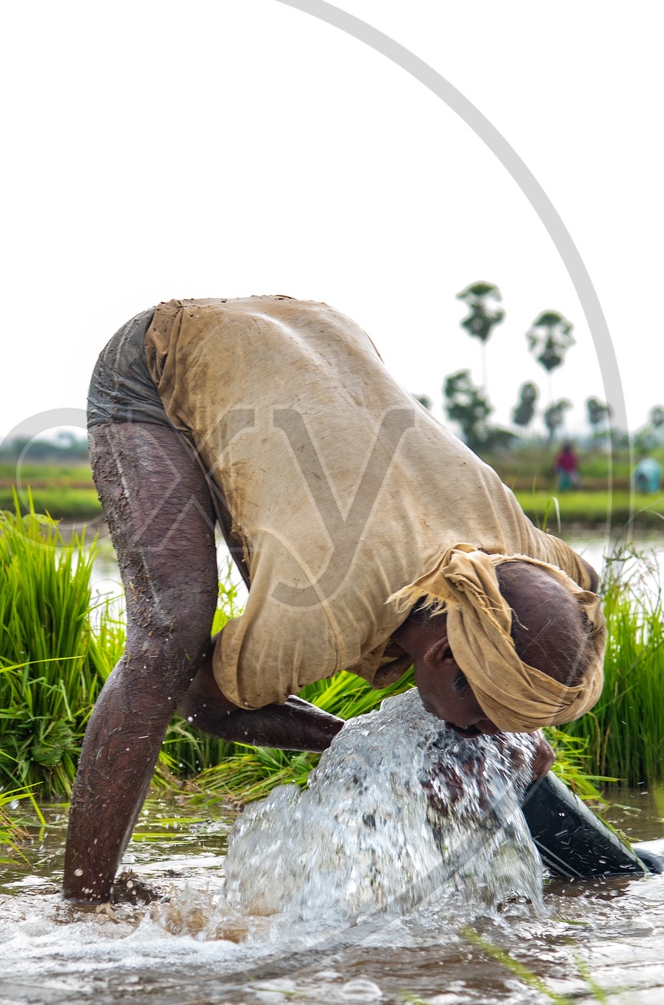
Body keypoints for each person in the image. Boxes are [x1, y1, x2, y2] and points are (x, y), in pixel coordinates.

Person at [64, 296, 609, 904]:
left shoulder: (549, 565)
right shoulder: (324, 608)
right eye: (483, 719)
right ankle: (85, 899)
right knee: (171, 633)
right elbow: (200, 702)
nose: (482, 737)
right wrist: (371, 750)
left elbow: (556, 631)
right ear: (441, 658)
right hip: (163, 362)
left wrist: (522, 734)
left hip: (319, 337)